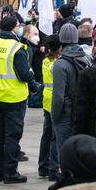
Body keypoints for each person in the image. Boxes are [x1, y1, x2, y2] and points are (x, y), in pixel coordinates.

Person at [0, 15, 37, 183]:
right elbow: (24, 74)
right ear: (13, 28)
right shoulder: (17, 48)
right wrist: (34, 86)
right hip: (15, 98)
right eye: (18, 26)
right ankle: (10, 172)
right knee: (12, 136)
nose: (19, 29)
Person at [49, 23, 91, 180]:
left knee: (64, 152)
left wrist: (55, 117)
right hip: (81, 110)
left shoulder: (60, 64)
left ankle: (66, 182)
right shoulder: (86, 58)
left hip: (65, 113)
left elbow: (58, 96)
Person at [37, 34, 61, 179]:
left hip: (46, 97)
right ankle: (53, 169)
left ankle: (43, 166)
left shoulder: (45, 60)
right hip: (55, 99)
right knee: (53, 136)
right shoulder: (58, 62)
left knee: (46, 134)